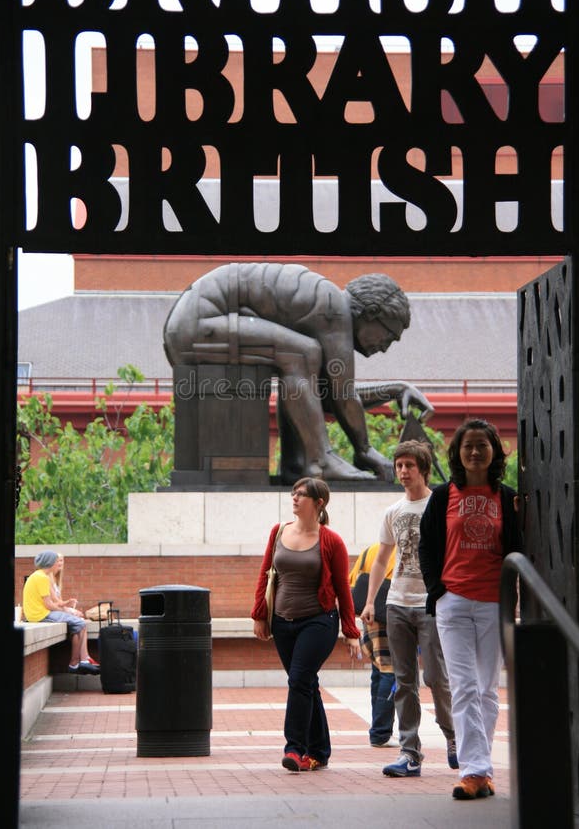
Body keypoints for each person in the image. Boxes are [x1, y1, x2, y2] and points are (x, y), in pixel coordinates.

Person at [163, 262, 433, 484]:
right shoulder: (333, 308)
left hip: (195, 326)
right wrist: (364, 450)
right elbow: (342, 395)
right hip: (196, 326)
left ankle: (297, 464)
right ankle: (319, 461)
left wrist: (396, 390)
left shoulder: (326, 305)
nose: (383, 348)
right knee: (301, 354)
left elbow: (322, 396)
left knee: (299, 359)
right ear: (372, 313)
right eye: (387, 336)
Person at [419, 419, 522, 801]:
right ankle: (474, 771)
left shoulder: (506, 497)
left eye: (482, 445)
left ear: (494, 450)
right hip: (455, 602)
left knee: (486, 690)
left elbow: (517, 549)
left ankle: (481, 769)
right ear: (458, 453)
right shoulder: (444, 496)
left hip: (493, 603)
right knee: (463, 686)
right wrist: (439, 590)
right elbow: (426, 547)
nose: (475, 451)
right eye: (468, 446)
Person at [251, 476, 361, 771]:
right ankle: (320, 750)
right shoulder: (278, 532)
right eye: (293, 493)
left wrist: (351, 631)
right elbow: (265, 574)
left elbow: (342, 587)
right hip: (282, 623)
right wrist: (260, 614)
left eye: (301, 495)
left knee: (299, 680)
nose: (295, 498)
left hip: (318, 621)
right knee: (306, 684)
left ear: (319, 503)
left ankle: (295, 748)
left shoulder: (331, 541)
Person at [361, 440, 457, 778]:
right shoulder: (393, 511)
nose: (402, 472)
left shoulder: (440, 506)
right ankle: (410, 752)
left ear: (424, 469)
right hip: (397, 603)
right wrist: (371, 600)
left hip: (431, 603)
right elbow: (382, 559)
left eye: (409, 466)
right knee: (403, 681)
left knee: (435, 677)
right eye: (399, 465)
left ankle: (453, 737)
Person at [349, 542, 398, 748]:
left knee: (378, 671)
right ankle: (380, 733)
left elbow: (351, 581)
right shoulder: (400, 551)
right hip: (389, 616)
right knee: (390, 671)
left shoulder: (370, 550)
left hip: (368, 617)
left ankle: (378, 730)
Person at [22, 551, 100, 675]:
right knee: (79, 623)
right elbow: (48, 605)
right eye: (56, 561)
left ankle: (79, 662)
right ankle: (74, 664)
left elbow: (51, 602)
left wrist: (66, 605)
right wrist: (66, 611)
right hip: (40, 615)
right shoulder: (42, 577)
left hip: (39, 613)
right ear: (50, 563)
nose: (58, 563)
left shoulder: (39, 575)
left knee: (79, 623)